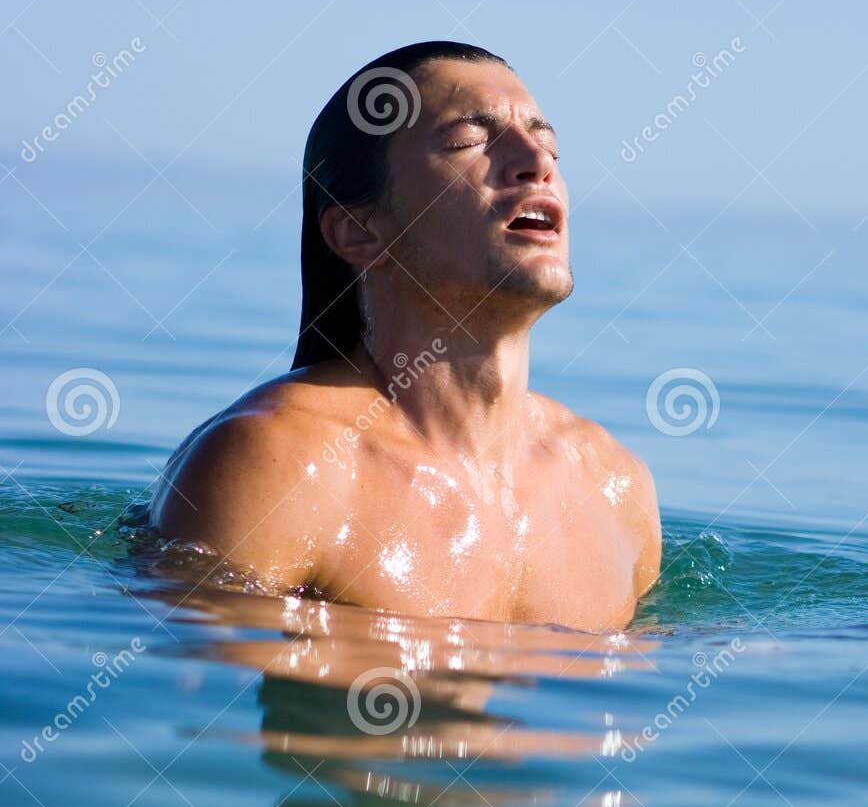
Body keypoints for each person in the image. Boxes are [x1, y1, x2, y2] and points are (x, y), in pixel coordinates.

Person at [151, 41, 661, 631]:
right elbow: (199, 690)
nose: (535, 162)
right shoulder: (282, 468)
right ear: (359, 231)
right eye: (472, 141)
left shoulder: (614, 487)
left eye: (547, 144)